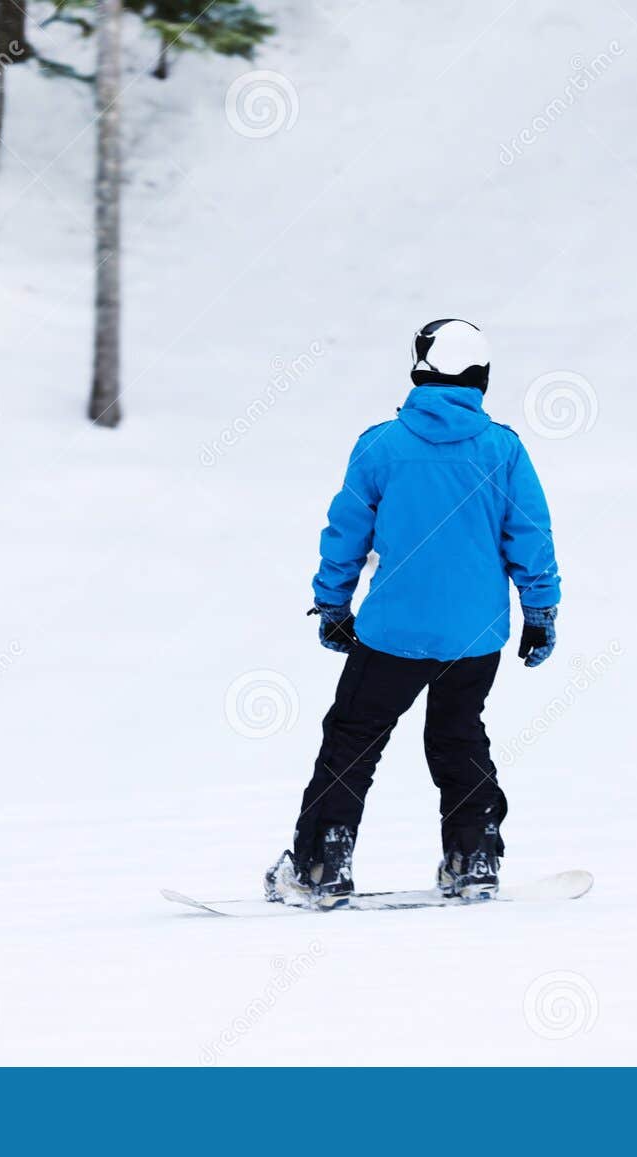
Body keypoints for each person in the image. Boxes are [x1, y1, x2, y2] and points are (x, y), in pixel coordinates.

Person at [264, 319, 562, 909]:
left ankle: (322, 865)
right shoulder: (503, 449)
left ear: (419, 370)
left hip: (393, 633)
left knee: (352, 741)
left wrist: (332, 603)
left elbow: (346, 532)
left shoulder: (382, 445)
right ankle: (473, 858)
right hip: (475, 636)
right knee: (459, 739)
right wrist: (540, 610)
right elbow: (529, 535)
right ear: (481, 376)